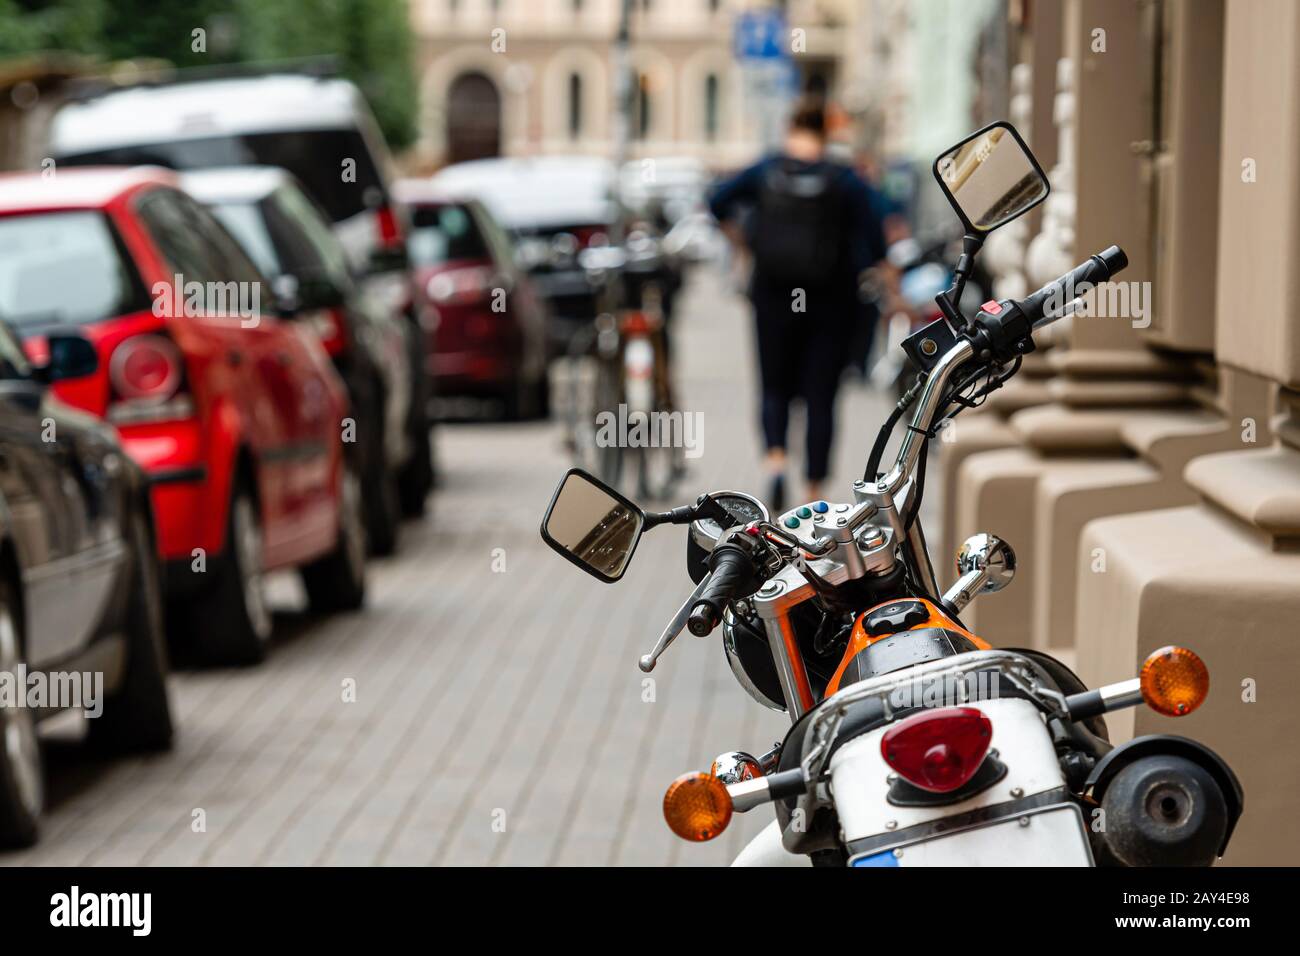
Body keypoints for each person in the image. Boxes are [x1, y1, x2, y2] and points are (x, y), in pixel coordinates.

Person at [709, 100, 885, 511]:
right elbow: (875, 237)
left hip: (772, 296)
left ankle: (775, 462)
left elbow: (717, 200)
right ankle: (814, 491)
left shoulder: (767, 169)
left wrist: (742, 242)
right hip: (829, 302)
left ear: (791, 128)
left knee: (774, 386)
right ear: (826, 132)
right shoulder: (844, 179)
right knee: (822, 394)